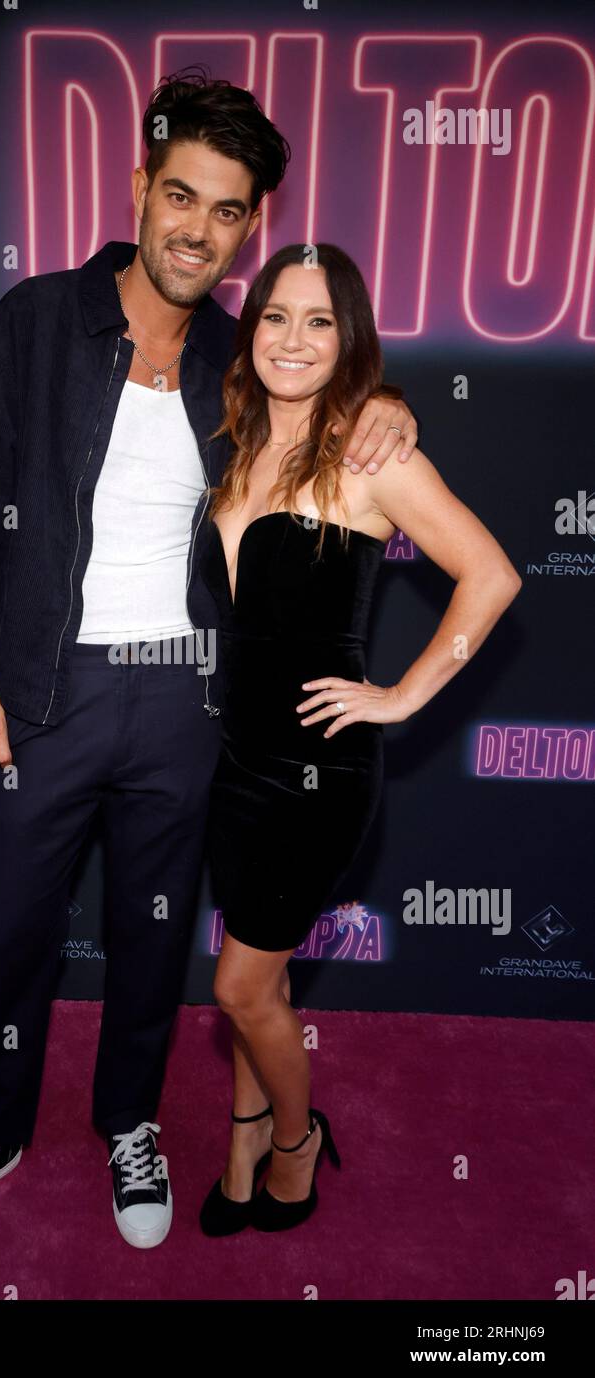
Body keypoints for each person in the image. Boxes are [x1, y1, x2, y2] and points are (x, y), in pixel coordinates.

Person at [0, 72, 419, 1259]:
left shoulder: (245, 359)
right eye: (179, 195)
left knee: (148, 930)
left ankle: (129, 1119)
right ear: (138, 186)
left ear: (249, 230)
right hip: (44, 692)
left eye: (227, 212)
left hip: (189, 703)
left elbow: (338, 425)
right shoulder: (34, 323)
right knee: (11, 930)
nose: (197, 228)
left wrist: (389, 407)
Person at [196, 242, 521, 1237]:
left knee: (236, 985)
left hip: (316, 774)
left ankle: (293, 1139)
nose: (290, 339)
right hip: (237, 760)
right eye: (274, 317)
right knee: (268, 976)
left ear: (349, 342)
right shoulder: (233, 444)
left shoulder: (370, 454)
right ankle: (245, 1129)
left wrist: (399, 696)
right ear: (249, 332)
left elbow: (491, 574)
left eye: (318, 321)